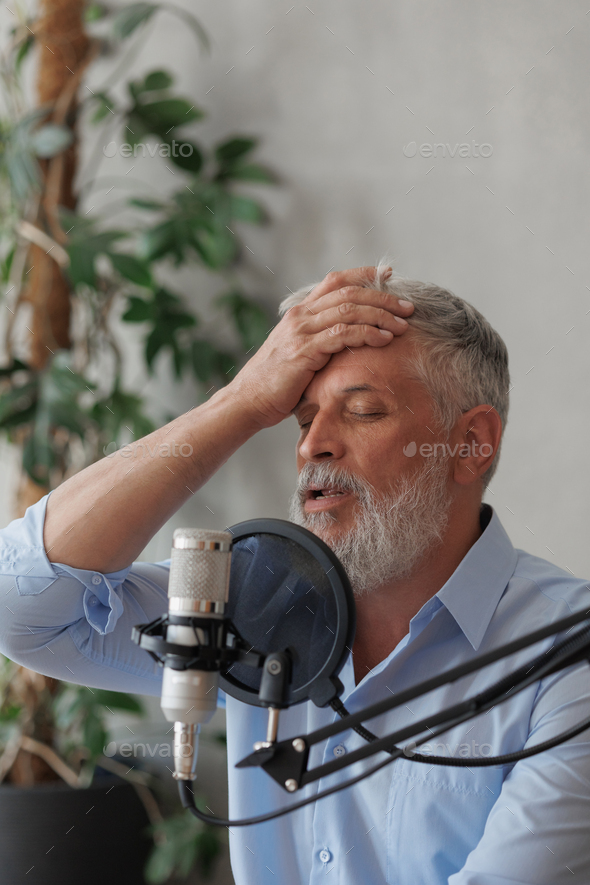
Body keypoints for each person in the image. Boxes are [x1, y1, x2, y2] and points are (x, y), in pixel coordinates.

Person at [1, 264, 589, 885]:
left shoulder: (566, 655)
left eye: (362, 411)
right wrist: (242, 403)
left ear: (470, 444)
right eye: (302, 420)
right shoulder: (254, 601)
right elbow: (23, 608)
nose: (313, 446)